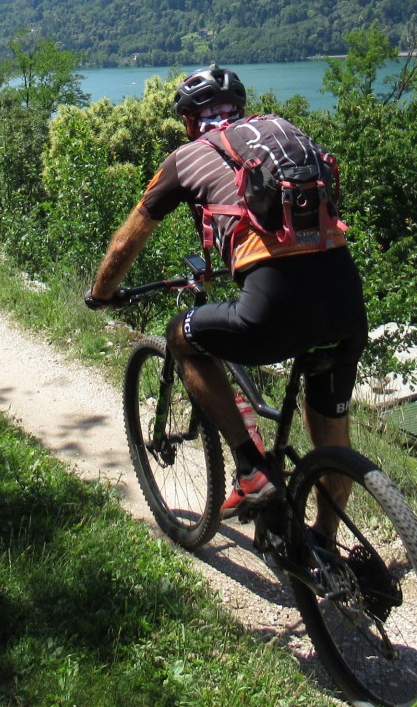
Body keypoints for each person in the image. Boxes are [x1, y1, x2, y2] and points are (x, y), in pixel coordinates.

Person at [85, 64, 367, 536]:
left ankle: (251, 468)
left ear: (190, 121)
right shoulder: (283, 129)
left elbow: (123, 245)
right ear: (239, 110)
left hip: (273, 305)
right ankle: (324, 551)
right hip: (344, 295)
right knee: (330, 435)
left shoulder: (186, 157)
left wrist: (102, 293)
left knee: (181, 335)